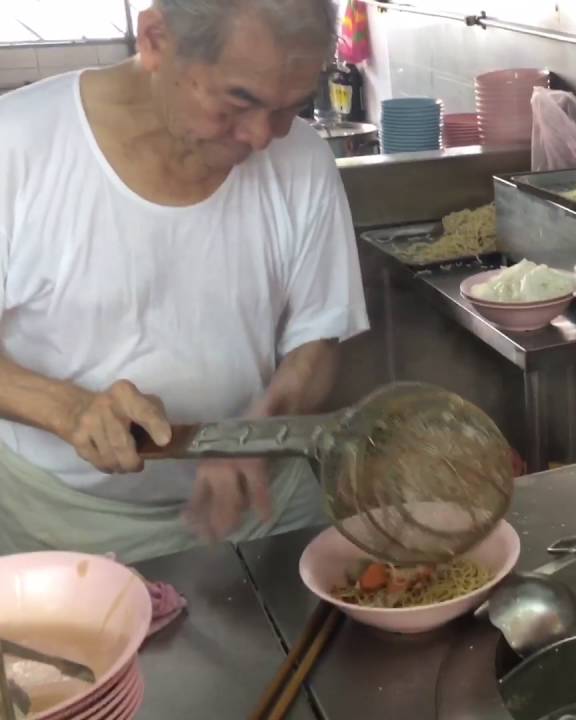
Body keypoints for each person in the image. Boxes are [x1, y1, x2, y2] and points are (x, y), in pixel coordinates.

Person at [0, 0, 369, 562]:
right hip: (69, 523)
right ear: (155, 39)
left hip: (265, 505)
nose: (262, 136)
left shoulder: (301, 157)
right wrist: (67, 408)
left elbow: (317, 335)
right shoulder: (17, 146)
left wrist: (261, 428)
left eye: (290, 107)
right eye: (239, 100)